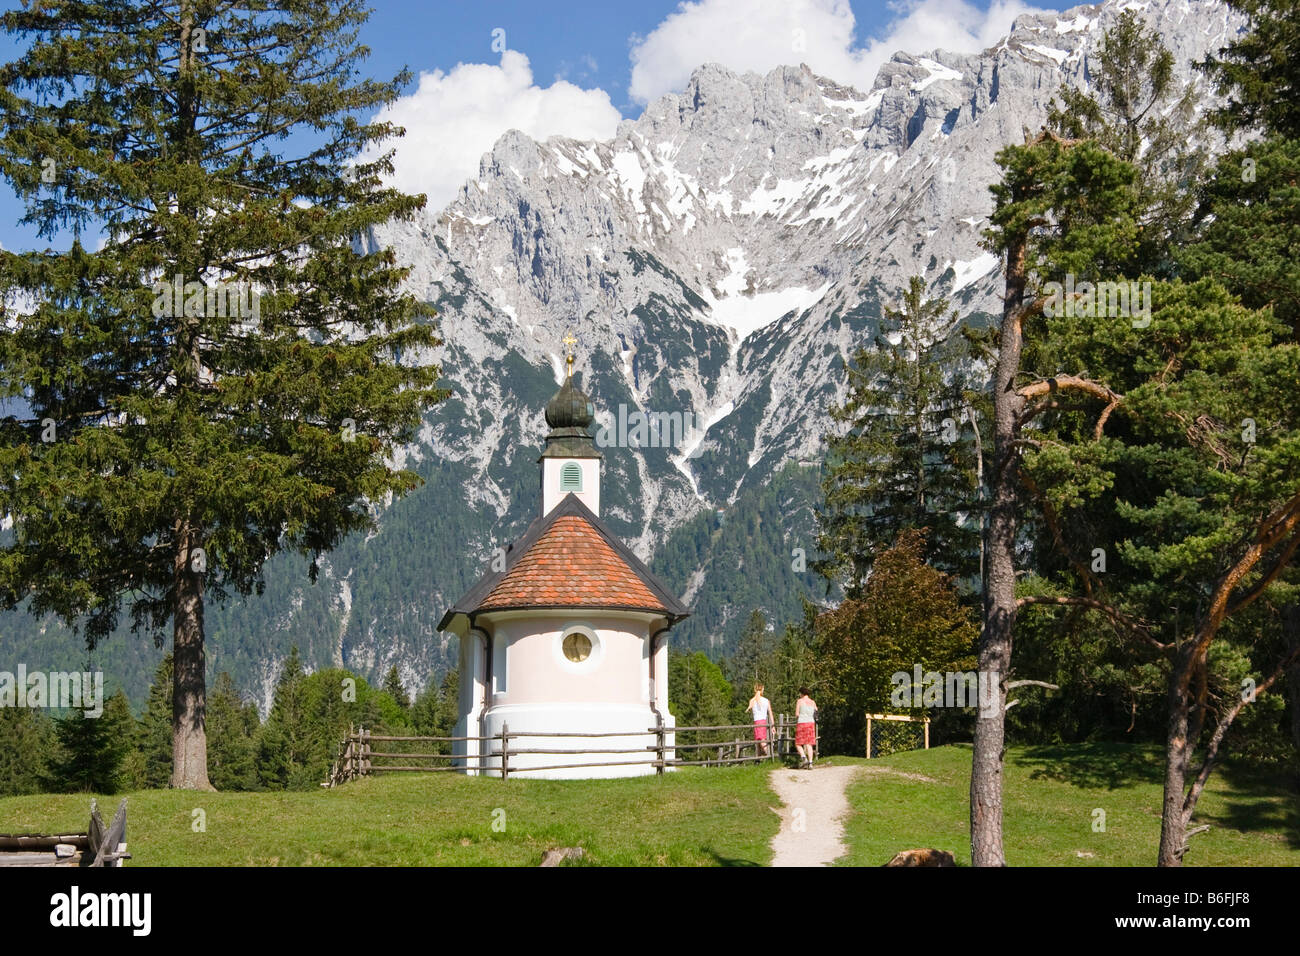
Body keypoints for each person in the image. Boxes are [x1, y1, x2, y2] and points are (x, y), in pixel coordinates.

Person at [794, 687, 818, 769]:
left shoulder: (799, 701)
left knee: (798, 743)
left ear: (802, 693)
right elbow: (816, 712)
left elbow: (797, 714)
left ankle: (804, 758)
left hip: (802, 723)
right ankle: (811, 763)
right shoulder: (813, 702)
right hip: (811, 723)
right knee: (809, 743)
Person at [748, 683, 773, 757]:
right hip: (763, 721)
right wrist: (773, 725)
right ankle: (765, 755)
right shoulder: (766, 700)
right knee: (761, 740)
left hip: (757, 721)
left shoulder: (752, 701)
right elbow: (770, 713)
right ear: (762, 690)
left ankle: (765, 755)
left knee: (760, 741)